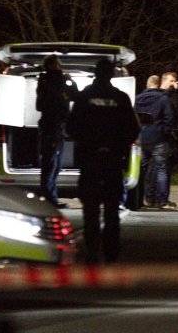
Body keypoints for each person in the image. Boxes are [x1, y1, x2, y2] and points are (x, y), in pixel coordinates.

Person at [67, 59, 140, 265]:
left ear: (95, 74)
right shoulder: (120, 98)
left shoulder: (84, 97)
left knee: (90, 210)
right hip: (113, 161)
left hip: (90, 160)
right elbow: (133, 129)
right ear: (111, 75)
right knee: (111, 209)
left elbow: (71, 127)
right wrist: (118, 147)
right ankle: (111, 252)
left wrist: (86, 143)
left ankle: (91, 251)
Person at [35, 54, 78, 208]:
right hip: (51, 127)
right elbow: (40, 105)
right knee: (50, 164)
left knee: (55, 164)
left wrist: (70, 82)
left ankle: (51, 198)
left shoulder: (51, 82)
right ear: (52, 66)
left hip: (56, 128)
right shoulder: (49, 82)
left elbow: (75, 96)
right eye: (59, 65)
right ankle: (48, 200)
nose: (61, 67)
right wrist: (67, 82)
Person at [135, 75, 176, 209]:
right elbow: (168, 118)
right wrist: (164, 133)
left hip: (141, 138)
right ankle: (163, 200)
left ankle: (141, 199)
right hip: (159, 139)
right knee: (161, 169)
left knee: (141, 170)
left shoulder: (137, 98)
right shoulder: (164, 98)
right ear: (158, 85)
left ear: (147, 85)